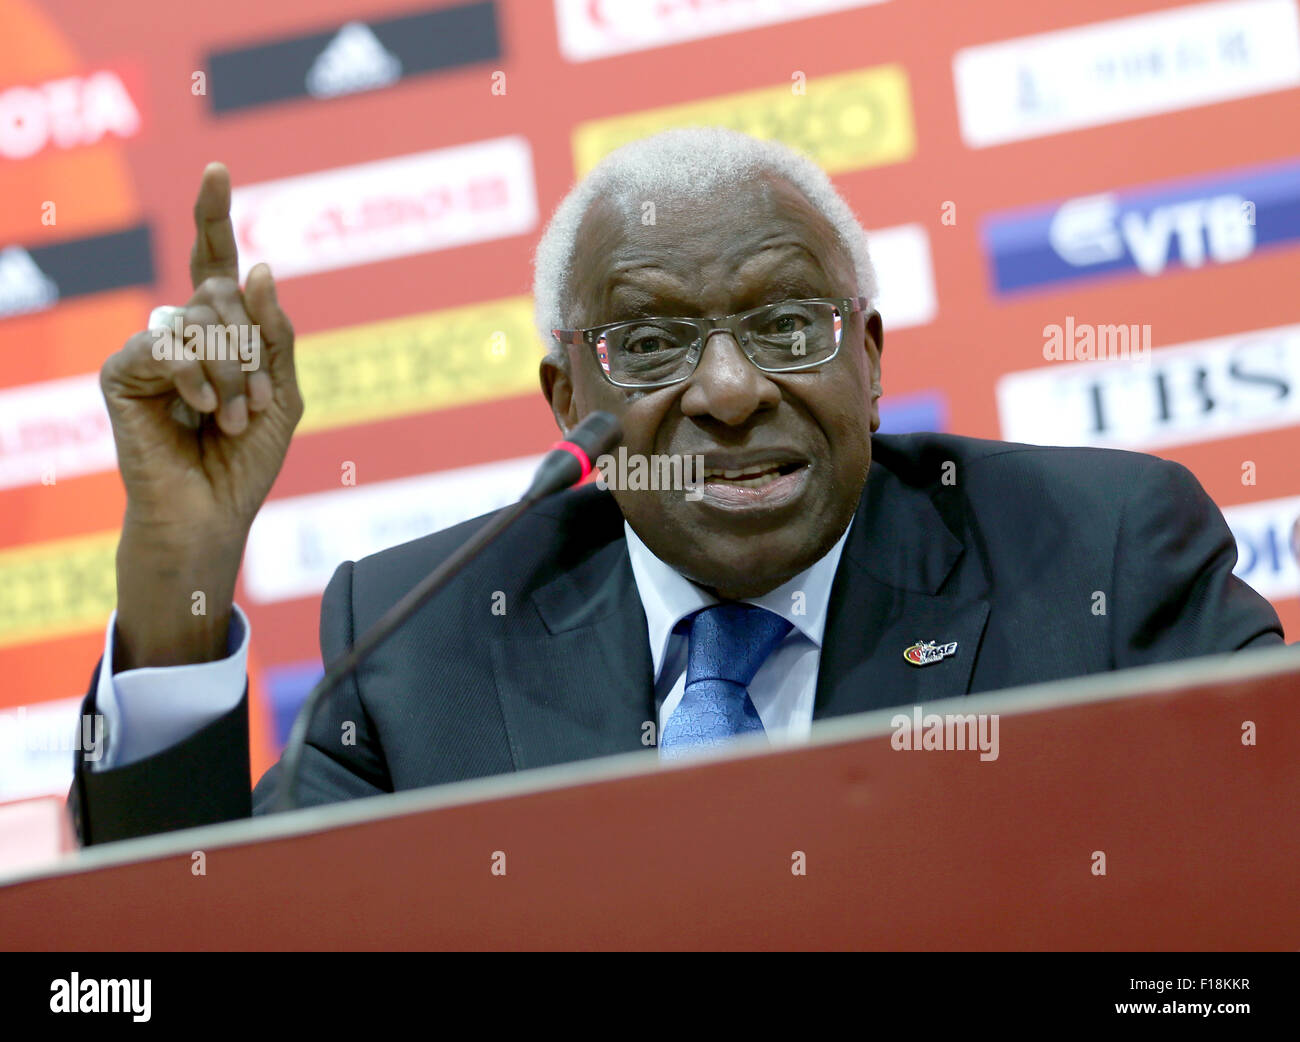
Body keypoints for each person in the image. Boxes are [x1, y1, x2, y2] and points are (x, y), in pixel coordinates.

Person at [69, 127, 1284, 845]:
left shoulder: (1101, 556)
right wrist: (180, 565)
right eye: (648, 343)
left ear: (870, 361)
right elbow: (180, 957)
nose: (730, 390)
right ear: (565, 407)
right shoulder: (419, 643)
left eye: (787, 325)